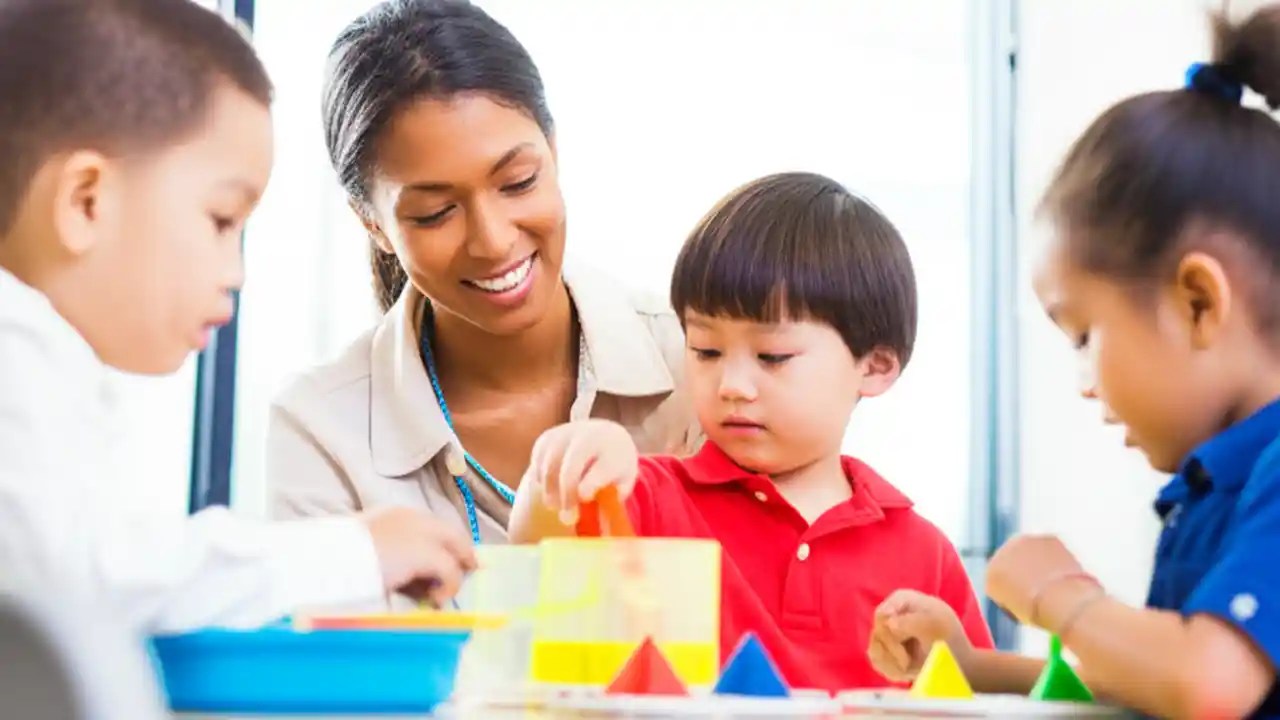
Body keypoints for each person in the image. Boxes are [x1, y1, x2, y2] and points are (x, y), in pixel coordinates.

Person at [0, 0, 474, 634]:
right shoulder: (18, 349)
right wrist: (352, 551)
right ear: (87, 201)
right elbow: (100, 579)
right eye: (222, 222)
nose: (237, 272)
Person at [867, 6, 1280, 718]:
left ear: (1199, 302)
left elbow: (1205, 686)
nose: (1085, 386)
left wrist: (1059, 593)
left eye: (1085, 335)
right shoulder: (1213, 490)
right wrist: (972, 666)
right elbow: (1152, 681)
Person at [509, 172, 992, 691]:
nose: (732, 385)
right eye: (706, 351)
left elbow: (971, 697)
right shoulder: (648, 495)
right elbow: (538, 552)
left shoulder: (924, 553)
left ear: (874, 366)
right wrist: (560, 469)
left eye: (772, 357)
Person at [267, 0, 700, 546]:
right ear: (372, 224)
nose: (493, 241)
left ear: (554, 151)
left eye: (518, 182)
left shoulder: (698, 363)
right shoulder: (322, 432)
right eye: (435, 214)